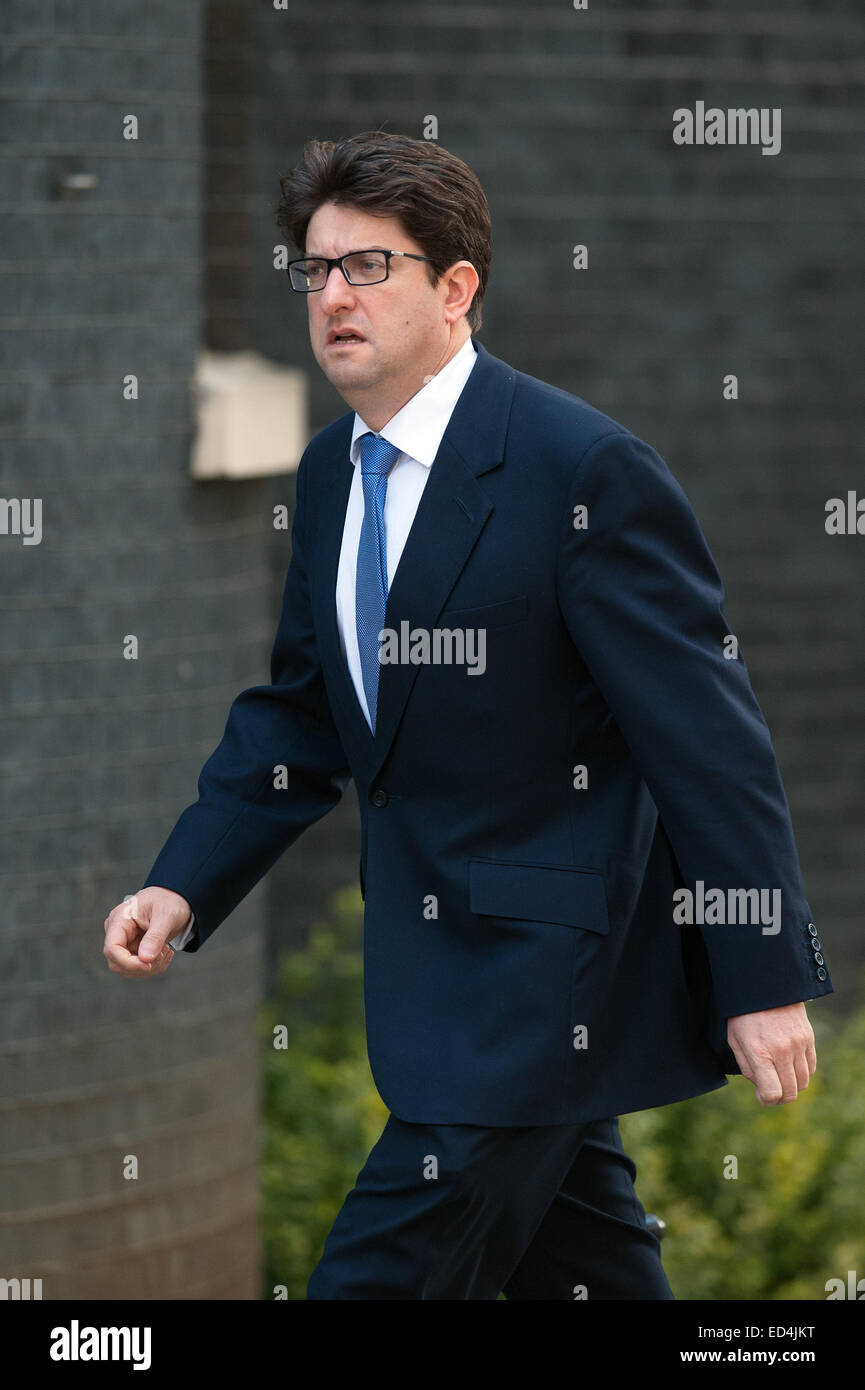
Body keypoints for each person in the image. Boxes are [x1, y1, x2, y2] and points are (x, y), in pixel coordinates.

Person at [103, 130, 834, 1300]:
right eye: (316, 269)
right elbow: (300, 716)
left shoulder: (582, 471)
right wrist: (185, 882)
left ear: (456, 289)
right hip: (440, 983)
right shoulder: (333, 474)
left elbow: (706, 742)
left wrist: (757, 973)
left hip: (538, 994)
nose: (331, 294)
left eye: (368, 267)